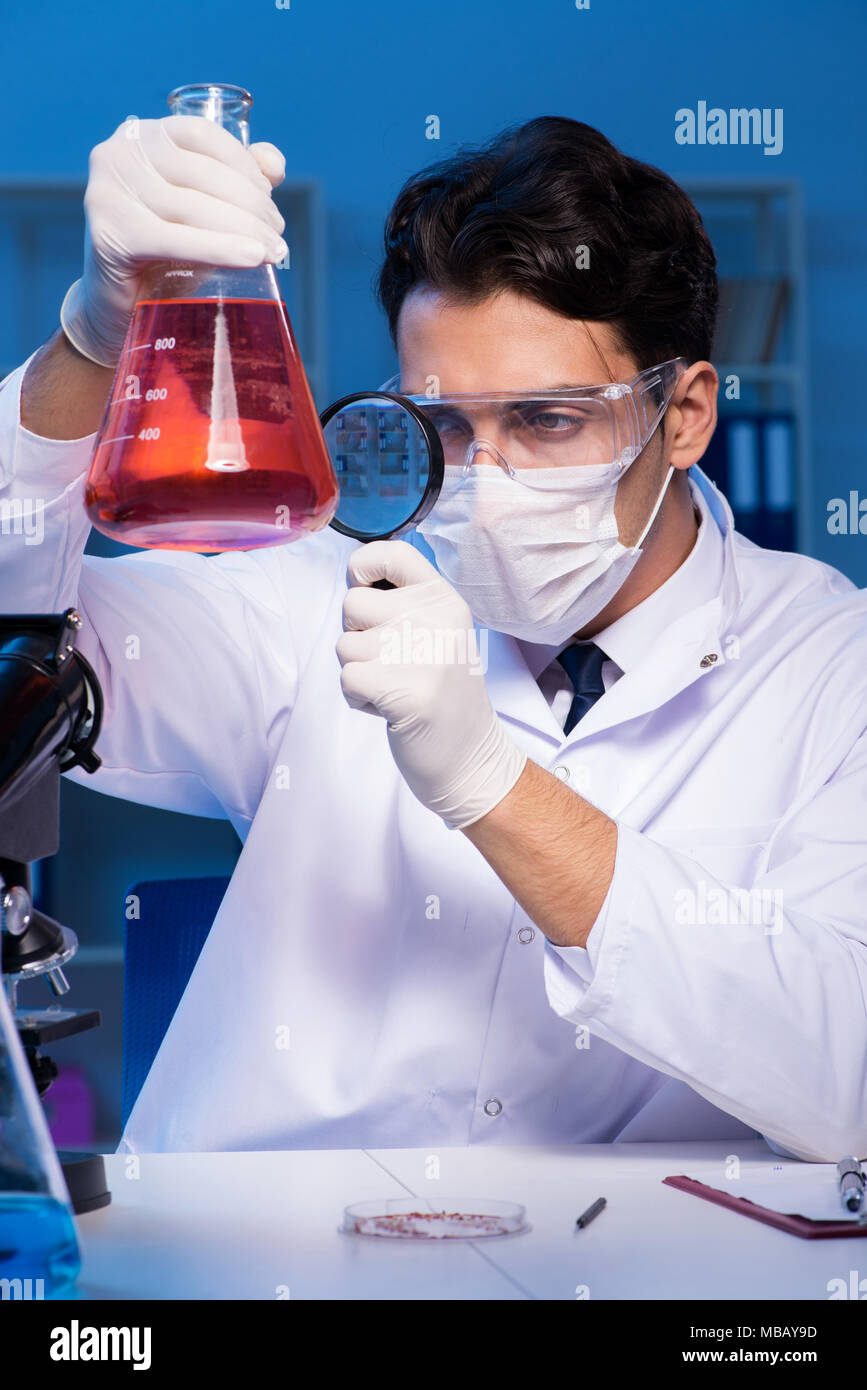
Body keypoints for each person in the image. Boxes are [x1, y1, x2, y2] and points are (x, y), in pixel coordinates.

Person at [2, 113, 865, 1162]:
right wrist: (92, 347)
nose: (483, 484)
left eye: (548, 421)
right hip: (258, 1254)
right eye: (447, 426)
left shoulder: (834, 667)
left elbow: (845, 1076)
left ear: (684, 413)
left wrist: (492, 781)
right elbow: (23, 646)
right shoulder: (310, 598)